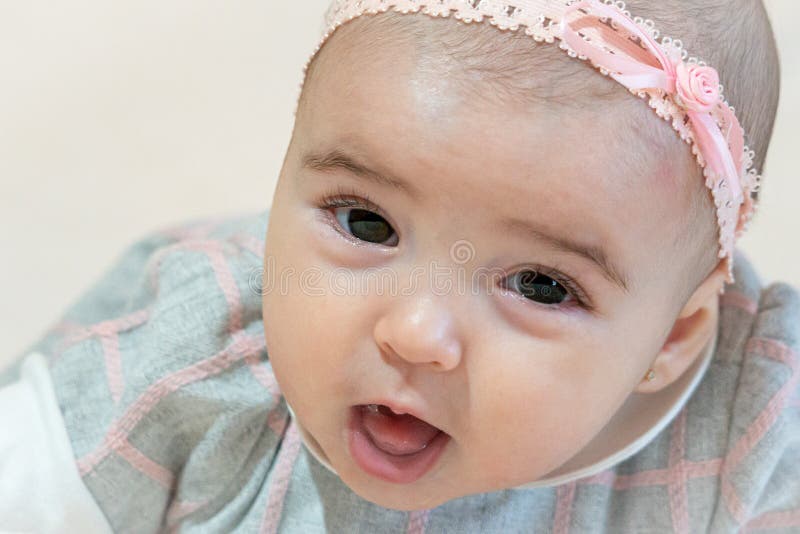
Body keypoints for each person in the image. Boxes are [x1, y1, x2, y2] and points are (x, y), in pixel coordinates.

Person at [1, 0, 798, 532]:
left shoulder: (746, 426)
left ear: (673, 337)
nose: (417, 332)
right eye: (368, 223)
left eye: (541, 285)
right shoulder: (183, 374)